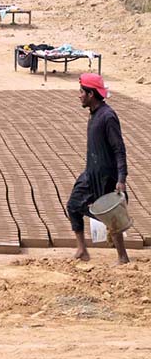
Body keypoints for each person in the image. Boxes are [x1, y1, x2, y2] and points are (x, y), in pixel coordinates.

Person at [67, 73, 130, 265]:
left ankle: (122, 257)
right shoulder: (94, 114)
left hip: (106, 177)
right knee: (73, 205)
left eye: (81, 92)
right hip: (91, 173)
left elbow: (119, 150)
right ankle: (82, 250)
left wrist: (121, 178)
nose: (79, 95)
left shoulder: (107, 117)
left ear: (91, 94)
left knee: (111, 217)